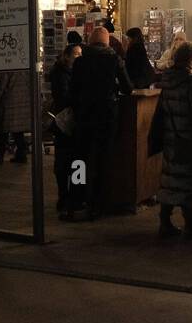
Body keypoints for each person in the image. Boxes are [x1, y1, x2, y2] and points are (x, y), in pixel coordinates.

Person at [68, 26, 133, 220]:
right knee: (103, 159)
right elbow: (127, 88)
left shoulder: (80, 62)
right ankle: (98, 202)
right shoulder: (114, 60)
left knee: (79, 158)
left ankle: (77, 199)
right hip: (106, 115)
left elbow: (72, 91)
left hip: (84, 116)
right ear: (107, 42)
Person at [152, 41, 192, 240]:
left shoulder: (168, 78)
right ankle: (190, 223)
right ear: (191, 58)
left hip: (172, 136)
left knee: (171, 181)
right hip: (190, 138)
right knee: (189, 181)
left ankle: (165, 220)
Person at [47, 43, 81, 214]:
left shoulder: (76, 72)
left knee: (77, 162)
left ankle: (74, 195)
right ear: (67, 56)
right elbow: (64, 97)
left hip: (73, 123)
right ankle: (65, 195)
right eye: (76, 54)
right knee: (64, 162)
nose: (79, 57)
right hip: (64, 123)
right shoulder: (60, 74)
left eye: (81, 54)